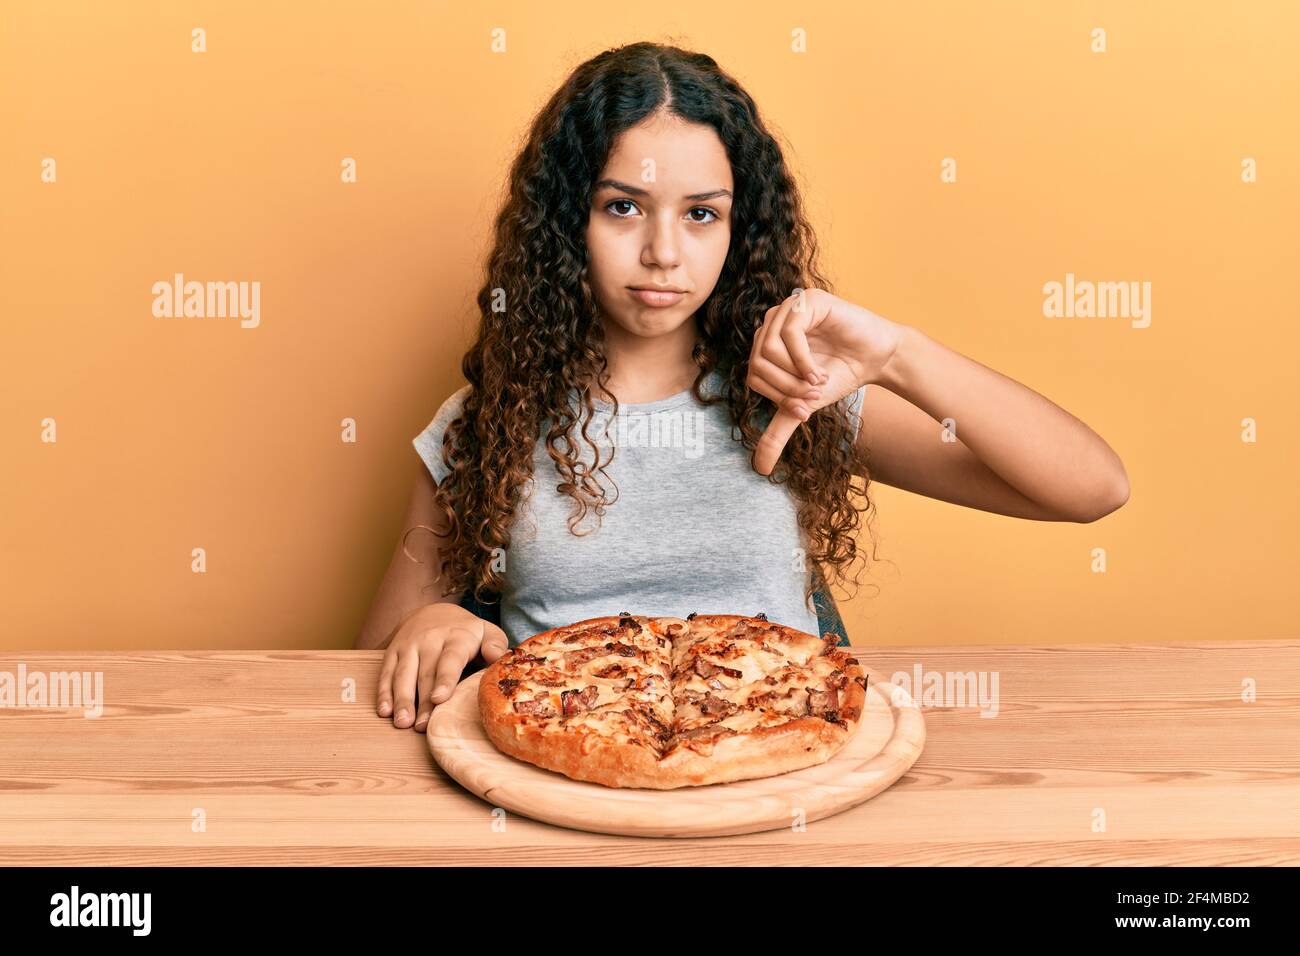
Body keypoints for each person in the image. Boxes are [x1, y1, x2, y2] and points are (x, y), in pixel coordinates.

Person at [356, 42, 1129, 734]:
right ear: (566, 222)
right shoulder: (489, 420)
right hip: (569, 763)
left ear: (739, 228)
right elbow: (368, 668)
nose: (664, 252)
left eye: (701, 214)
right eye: (622, 207)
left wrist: (899, 354)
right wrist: (431, 623)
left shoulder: (794, 394)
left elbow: (1091, 488)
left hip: (771, 757)